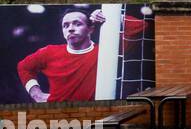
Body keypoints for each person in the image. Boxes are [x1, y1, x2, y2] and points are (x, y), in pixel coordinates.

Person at [18, 7, 147, 103]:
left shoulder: (105, 52)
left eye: (77, 23)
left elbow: (141, 26)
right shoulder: (49, 52)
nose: (70, 28)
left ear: (90, 29)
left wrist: (110, 16)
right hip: (57, 116)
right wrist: (36, 94)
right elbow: (23, 67)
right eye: (65, 25)